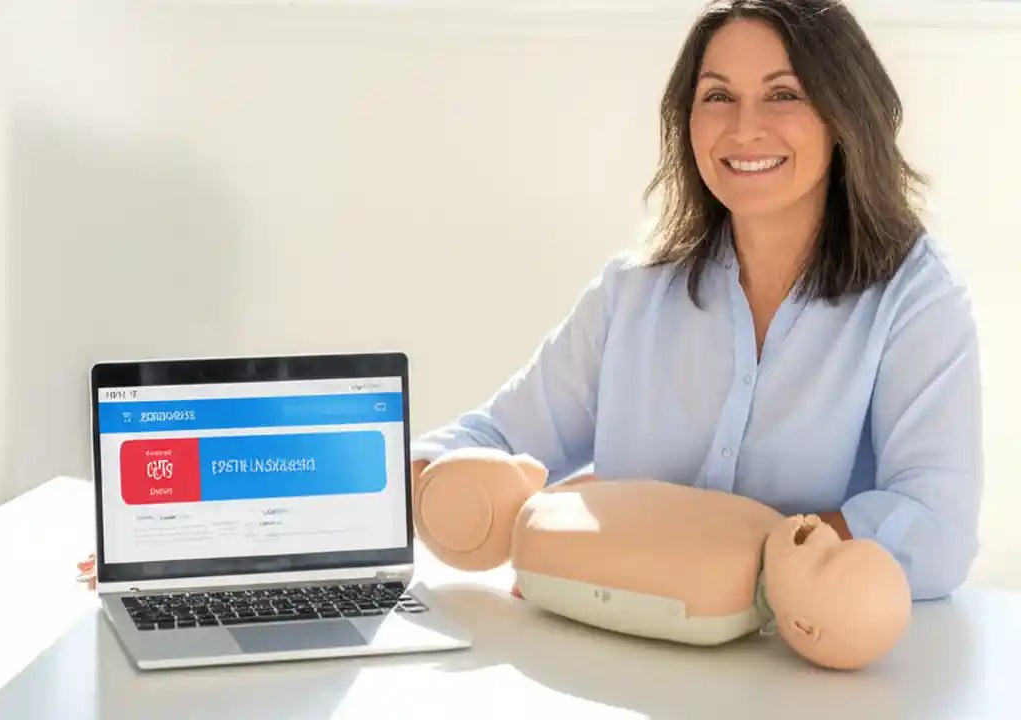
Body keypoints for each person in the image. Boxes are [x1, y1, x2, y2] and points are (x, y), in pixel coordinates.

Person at [410, 0, 983, 603]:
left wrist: (659, 551)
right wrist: (417, 486)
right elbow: (495, 438)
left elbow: (933, 530)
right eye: (717, 96)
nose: (744, 128)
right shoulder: (632, 293)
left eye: (783, 94)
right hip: (611, 664)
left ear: (843, 115)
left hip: (801, 676)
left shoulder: (917, 298)